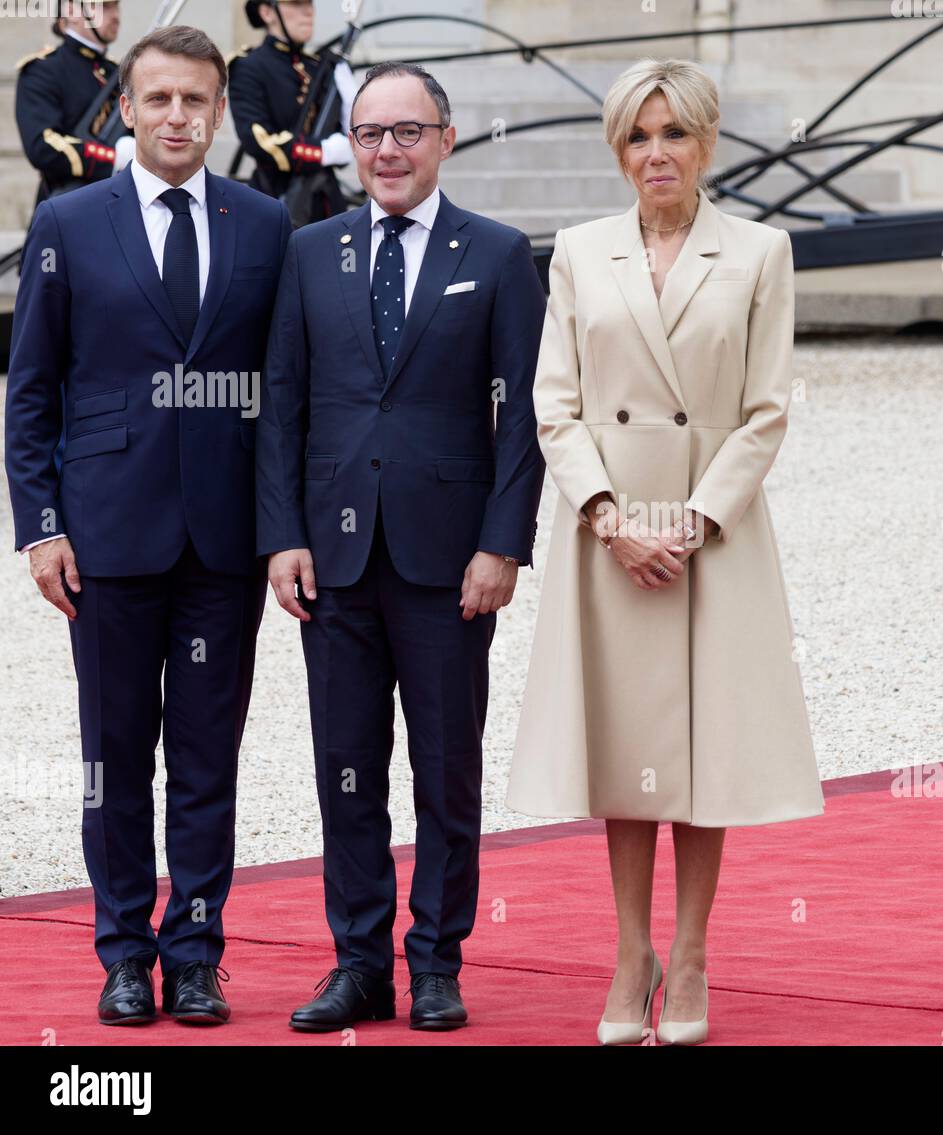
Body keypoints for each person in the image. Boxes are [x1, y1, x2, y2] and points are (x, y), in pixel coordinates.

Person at [507, 58, 825, 1045]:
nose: (656, 154)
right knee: (629, 747)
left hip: (709, 536)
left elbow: (768, 410)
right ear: (617, 148)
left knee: (705, 746)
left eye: (673, 134)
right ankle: (627, 950)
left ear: (707, 141)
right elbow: (551, 400)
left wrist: (692, 519)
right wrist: (608, 516)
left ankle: (688, 954)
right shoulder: (578, 249)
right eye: (639, 136)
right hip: (609, 533)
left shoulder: (761, 251)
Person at [5, 25, 292, 1026]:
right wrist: (40, 523)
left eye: (195, 101)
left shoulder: (265, 224)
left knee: (207, 761)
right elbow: (31, 391)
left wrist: (283, 525)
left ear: (219, 110)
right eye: (159, 99)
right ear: (125, 109)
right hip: (106, 539)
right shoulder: (72, 226)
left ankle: (197, 952)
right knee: (114, 760)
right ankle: (123, 950)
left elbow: (282, 391)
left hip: (222, 546)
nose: (178, 117)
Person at [257, 61, 547, 1032]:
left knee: (444, 769)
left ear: (446, 139)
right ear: (350, 143)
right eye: (370, 132)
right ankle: (358, 963)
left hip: (448, 563)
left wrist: (503, 543)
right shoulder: (309, 252)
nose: (387, 150)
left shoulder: (501, 256)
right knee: (345, 769)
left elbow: (521, 418)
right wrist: (281, 537)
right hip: (333, 564)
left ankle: (435, 962)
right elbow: (282, 409)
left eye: (408, 131)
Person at [227, 0, 354, 219]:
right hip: (277, 195)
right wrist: (323, 152)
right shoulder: (249, 66)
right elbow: (258, 139)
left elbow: (344, 133)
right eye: (296, 4)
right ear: (267, 12)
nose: (308, 12)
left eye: (309, 4)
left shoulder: (319, 67)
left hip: (327, 200)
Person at [14, 0, 130, 211]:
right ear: (71, 10)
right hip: (65, 206)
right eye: (104, 6)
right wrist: (113, 158)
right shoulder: (43, 70)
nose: (115, 15)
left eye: (116, 6)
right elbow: (42, 146)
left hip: (119, 205)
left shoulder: (117, 73)